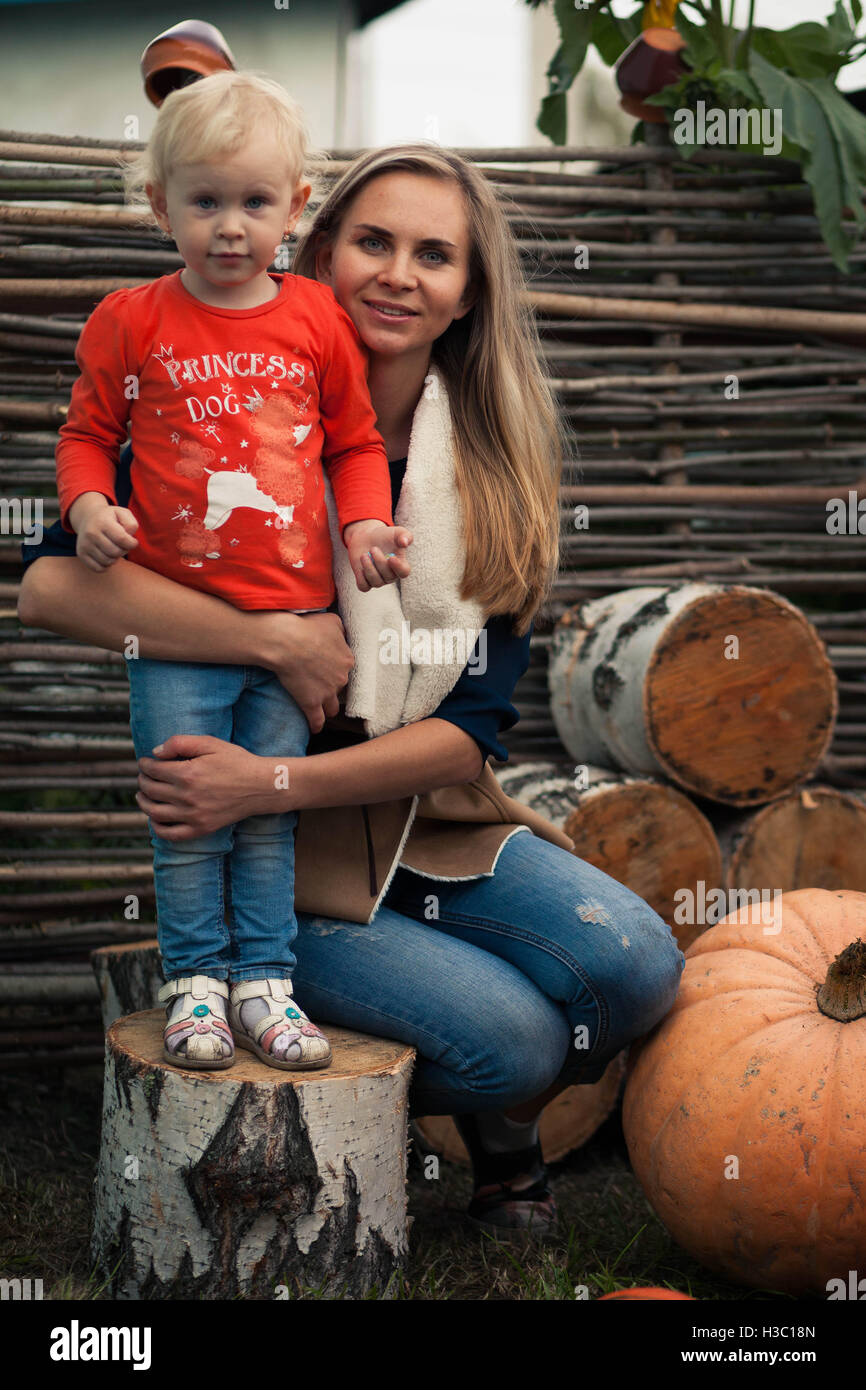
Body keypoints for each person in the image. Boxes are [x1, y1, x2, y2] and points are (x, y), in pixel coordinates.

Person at [19, 142, 685, 1239]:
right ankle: (314, 1009)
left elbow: (468, 735)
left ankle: (475, 1077)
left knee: (632, 963)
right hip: (282, 862)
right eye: (371, 240)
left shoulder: (490, 464)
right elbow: (50, 588)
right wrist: (276, 643)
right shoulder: (211, 397)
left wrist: (268, 779)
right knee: (510, 1036)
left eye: (434, 255)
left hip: (423, 815)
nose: (397, 273)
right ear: (315, 246)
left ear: (467, 295)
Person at [54, 70, 413, 1073]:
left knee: (266, 809)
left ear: (296, 208)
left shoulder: (312, 319)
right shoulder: (130, 321)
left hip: (297, 619)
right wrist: (88, 506)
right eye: (204, 201)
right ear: (160, 204)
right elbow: (86, 435)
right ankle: (195, 985)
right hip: (178, 632)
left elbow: (349, 444)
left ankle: (267, 984)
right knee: (185, 814)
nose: (228, 227)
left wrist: (367, 528)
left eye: (254, 202)